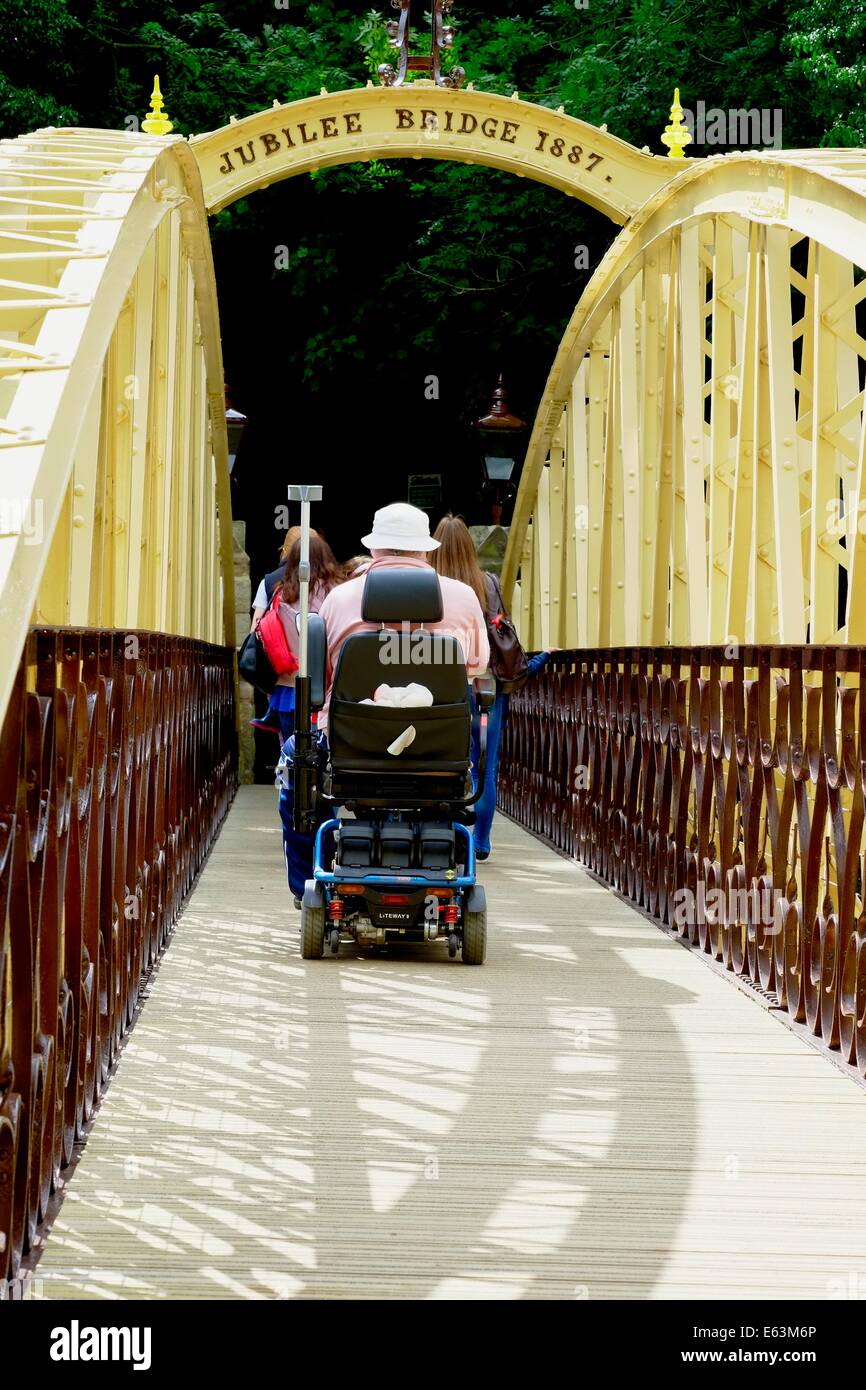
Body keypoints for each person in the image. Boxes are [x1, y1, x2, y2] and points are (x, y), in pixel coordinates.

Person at [278, 502, 490, 903]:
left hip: (353, 753)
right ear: (425, 551)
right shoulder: (462, 598)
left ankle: (306, 886)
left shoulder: (340, 600)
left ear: (375, 550)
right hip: (439, 754)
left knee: (295, 765)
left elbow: (319, 679)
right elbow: (477, 667)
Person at [432, 513, 555, 861]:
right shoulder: (486, 582)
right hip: (485, 686)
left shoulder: (427, 584)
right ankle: (480, 841)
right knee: (486, 763)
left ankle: (443, 831)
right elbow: (501, 631)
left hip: (441, 687)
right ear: (470, 548)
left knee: (442, 760)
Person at [251, 530, 343, 741]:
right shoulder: (337, 593)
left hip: (287, 686)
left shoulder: (280, 594)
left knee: (290, 750)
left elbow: (257, 631)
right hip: (326, 686)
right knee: (324, 749)